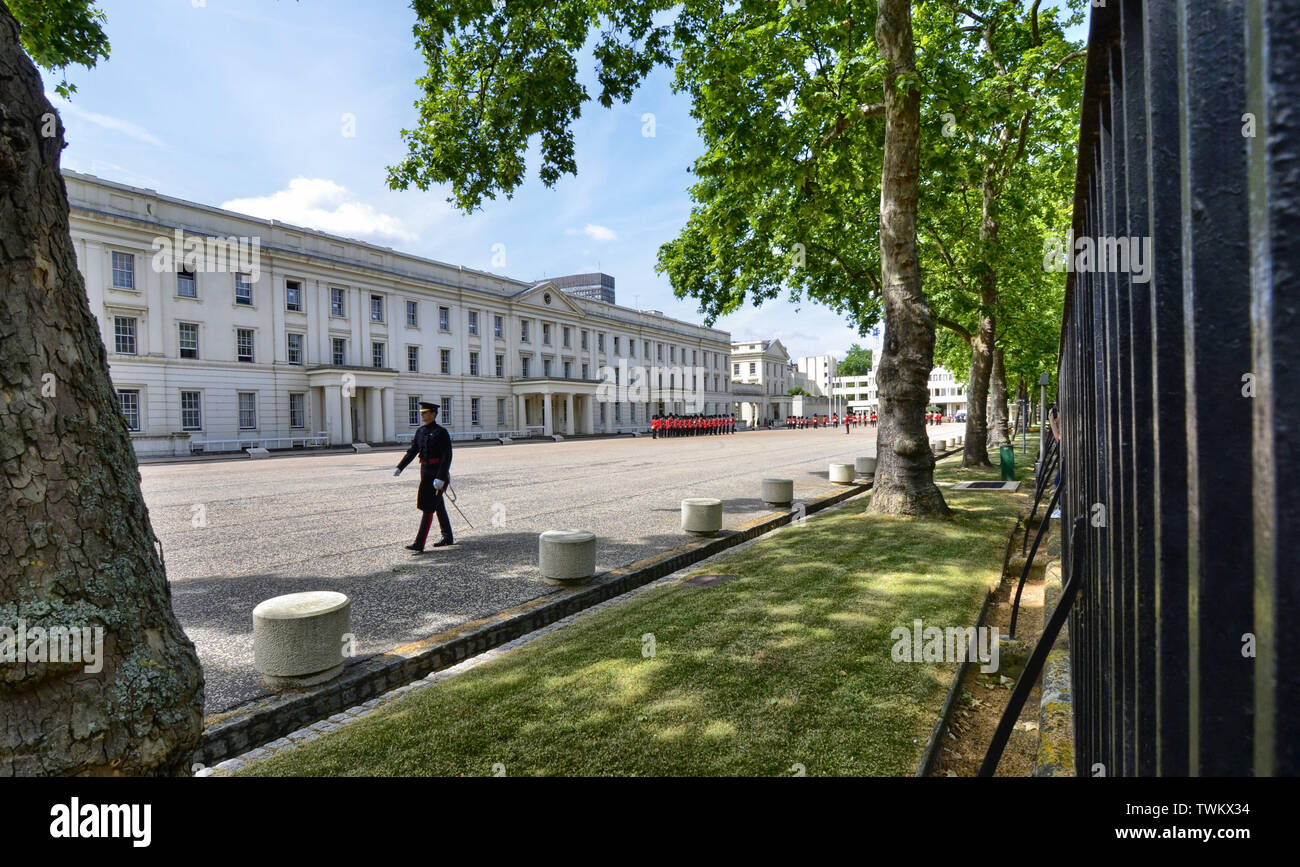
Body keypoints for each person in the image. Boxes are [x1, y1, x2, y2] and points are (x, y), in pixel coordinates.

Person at [394, 401, 454, 551]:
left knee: (428, 508)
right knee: (437, 504)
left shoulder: (441, 432)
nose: (422, 414)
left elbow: (447, 456)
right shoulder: (420, 431)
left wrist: (441, 477)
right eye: (421, 412)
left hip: (437, 474)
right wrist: (400, 467)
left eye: (425, 412)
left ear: (433, 413)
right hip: (425, 472)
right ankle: (448, 536)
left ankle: (419, 543)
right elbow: (412, 451)